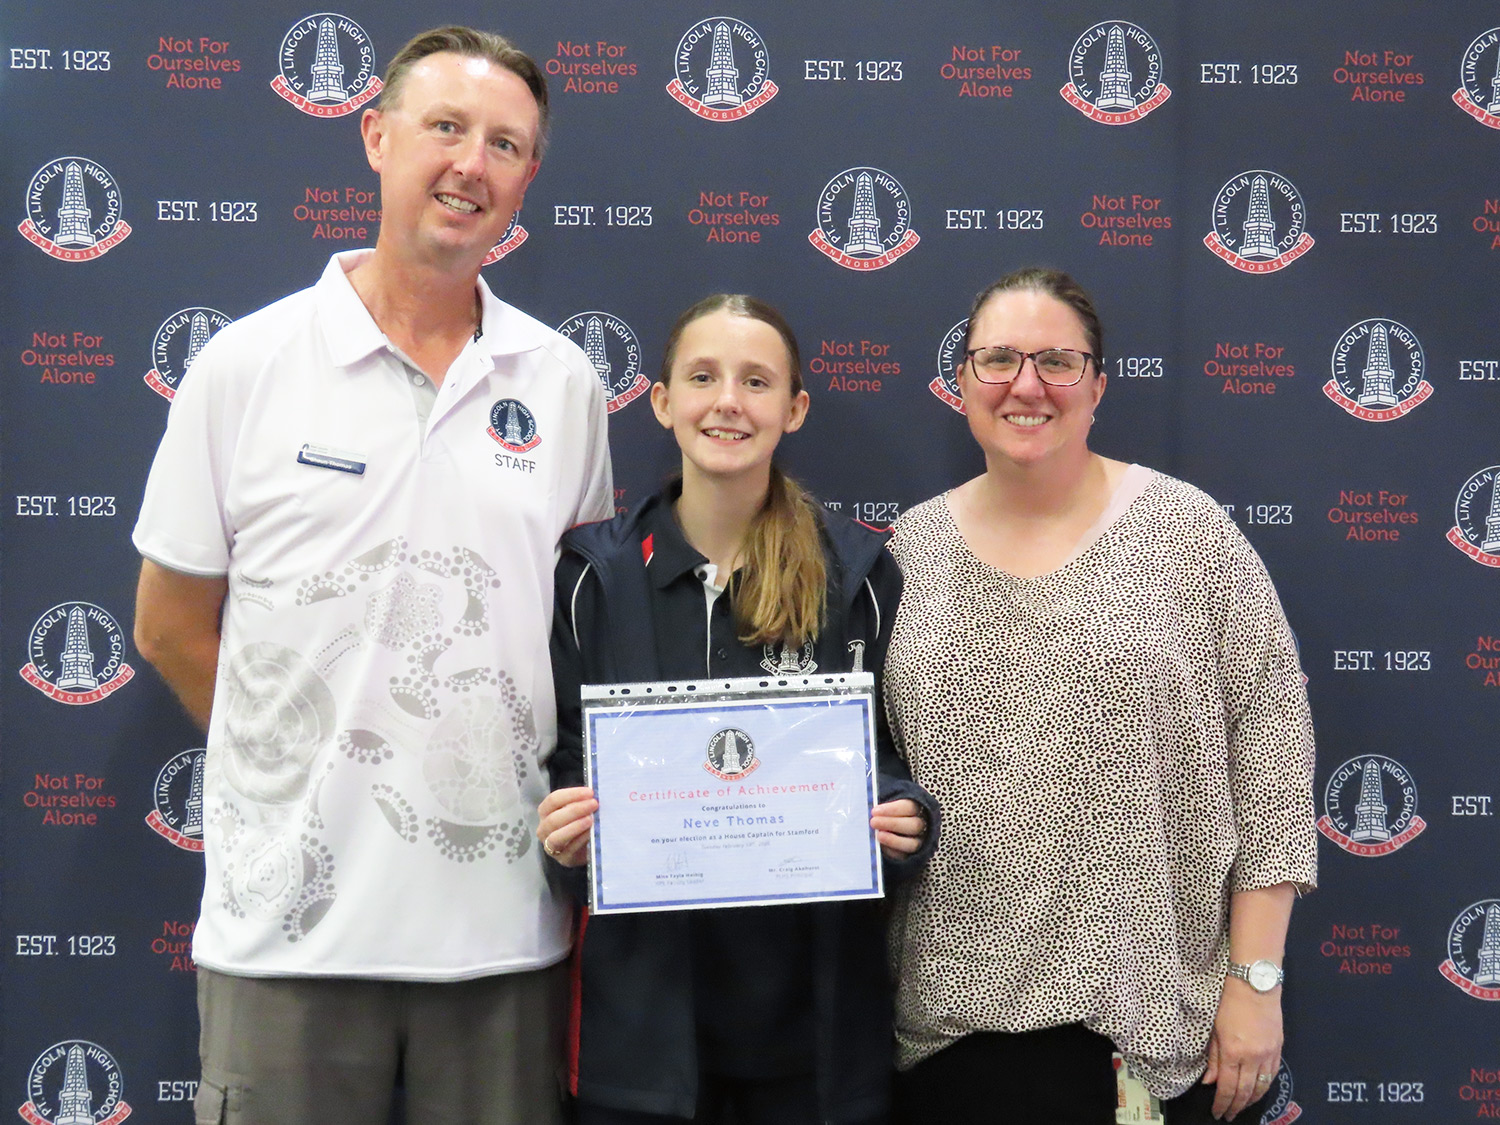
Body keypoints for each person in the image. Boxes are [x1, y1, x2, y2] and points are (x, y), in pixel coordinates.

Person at [130, 26, 612, 1125]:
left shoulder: (563, 383)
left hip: (504, 939)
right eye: (445, 127)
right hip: (286, 939)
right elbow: (167, 625)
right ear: (376, 137)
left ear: (527, 178)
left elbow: (576, 631)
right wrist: (289, 754)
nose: (471, 164)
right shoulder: (245, 365)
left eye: (504, 145)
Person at [883, 268, 1317, 1124]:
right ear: (962, 381)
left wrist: (1257, 980)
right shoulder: (907, 551)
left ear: (1098, 385)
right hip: (947, 1036)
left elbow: (1271, 755)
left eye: (1057, 361)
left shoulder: (1189, 534)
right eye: (999, 359)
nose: (1027, 384)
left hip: (1153, 1035)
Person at [536, 294, 940, 1125]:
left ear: (794, 408)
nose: (728, 401)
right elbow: (566, 770)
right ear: (661, 401)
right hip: (645, 1041)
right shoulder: (592, 577)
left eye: (756, 381)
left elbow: (894, 756)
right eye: (703, 377)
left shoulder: (858, 573)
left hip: (811, 1034)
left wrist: (903, 817)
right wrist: (565, 836)